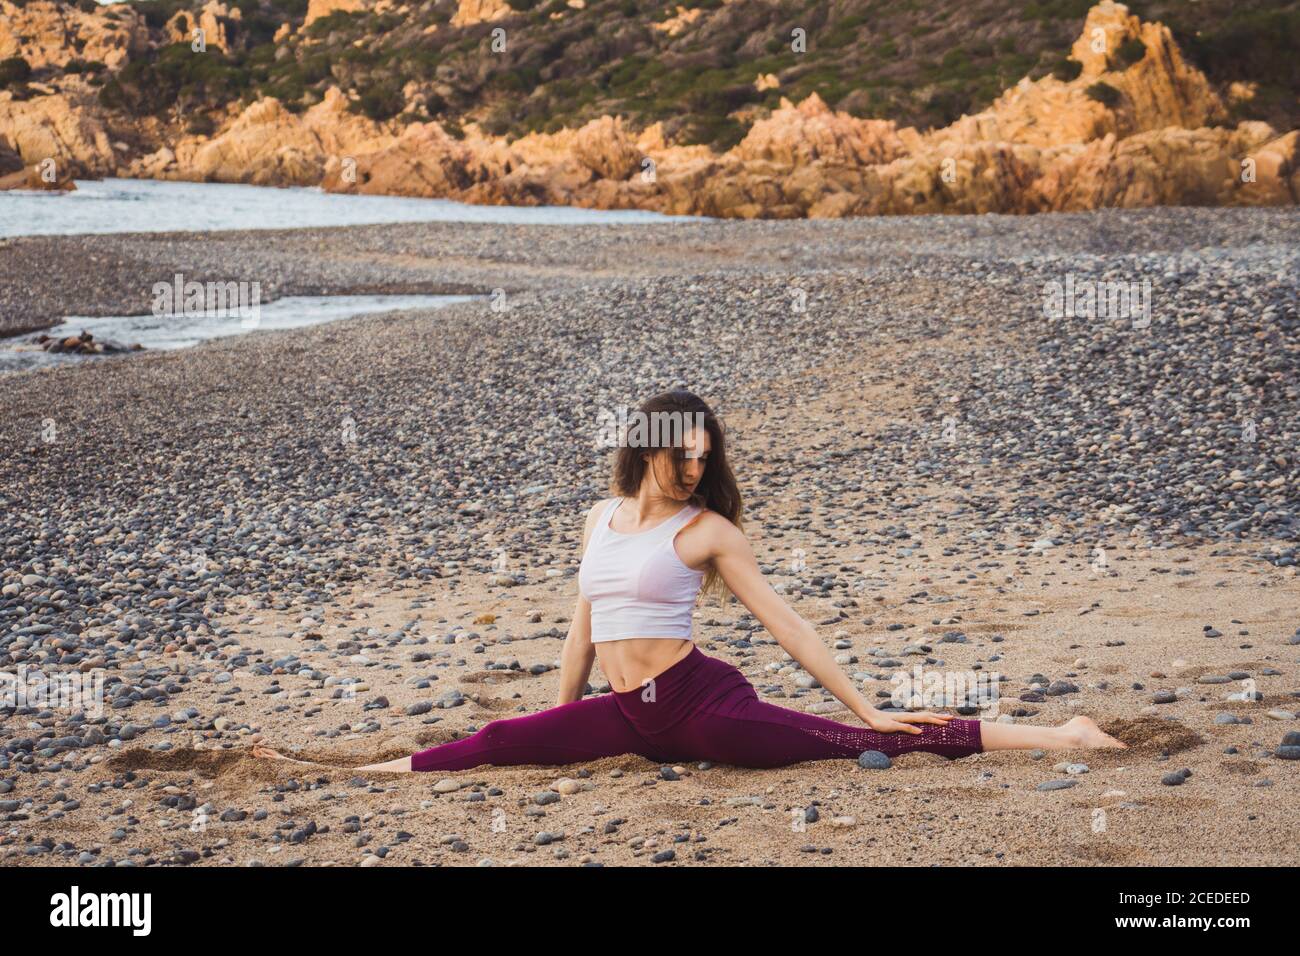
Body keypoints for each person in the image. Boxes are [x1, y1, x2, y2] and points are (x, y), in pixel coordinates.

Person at [254, 389, 1124, 773]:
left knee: (870, 747)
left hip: (705, 708)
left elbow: (788, 625)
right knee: (503, 740)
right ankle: (343, 769)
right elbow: (583, 627)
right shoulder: (599, 516)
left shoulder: (709, 532)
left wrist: (863, 707)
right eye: (682, 456)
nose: (693, 470)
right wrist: (563, 713)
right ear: (647, 448)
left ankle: (1066, 737)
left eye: (705, 459)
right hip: (631, 716)